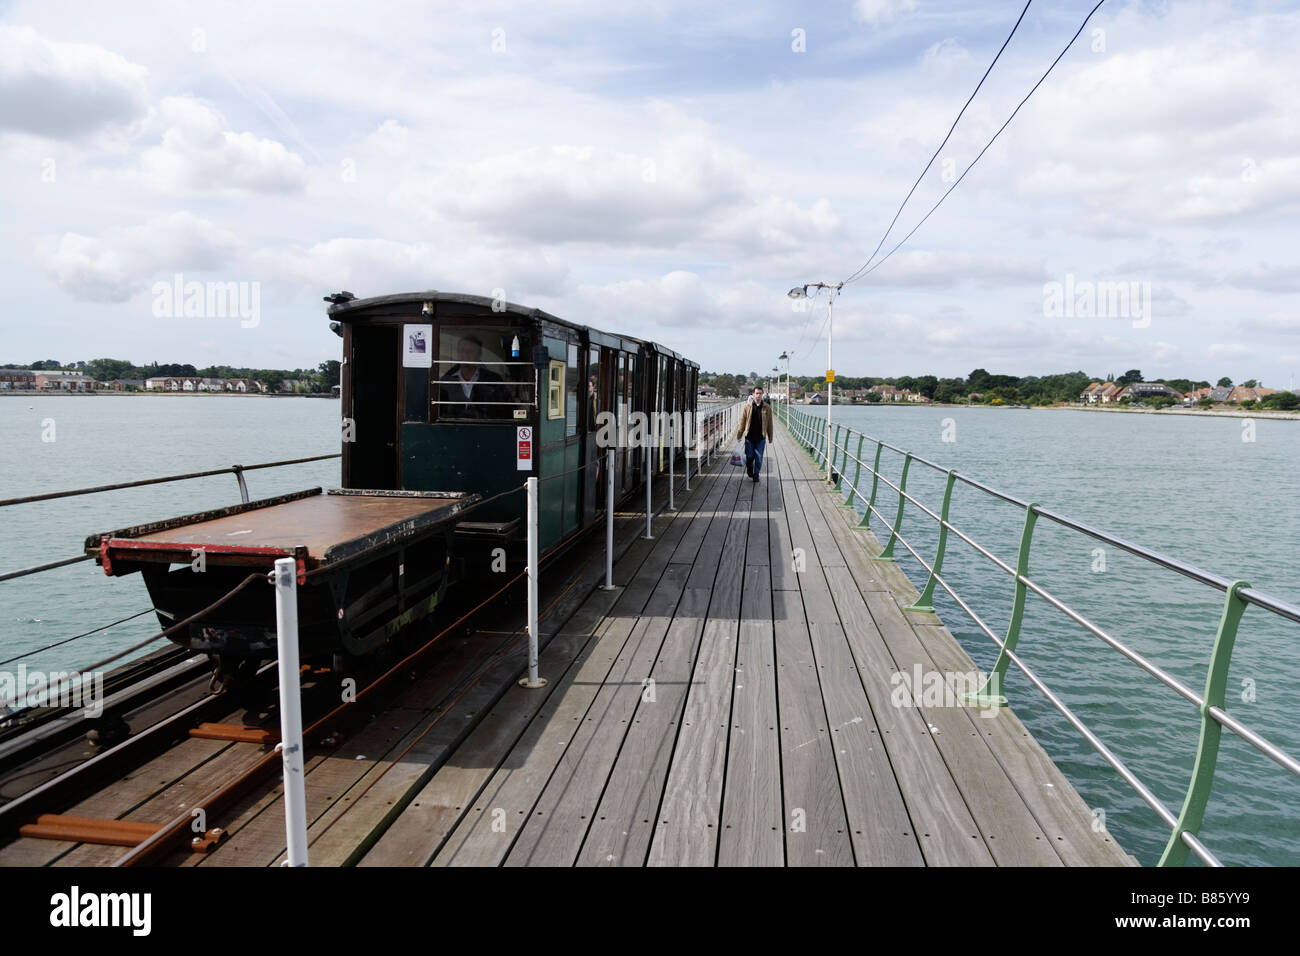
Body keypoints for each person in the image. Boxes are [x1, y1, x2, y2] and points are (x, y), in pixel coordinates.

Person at [439, 335, 504, 419]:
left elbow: (503, 411)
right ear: (458, 353)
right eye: (462, 350)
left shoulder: (493, 380)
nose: (465, 354)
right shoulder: (446, 380)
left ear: (479, 355)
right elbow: (439, 411)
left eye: (470, 351)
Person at [735, 385, 774, 482]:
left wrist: (770, 436)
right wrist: (739, 434)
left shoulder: (767, 408)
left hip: (761, 437)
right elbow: (742, 421)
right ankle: (749, 467)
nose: (758, 395)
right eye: (757, 393)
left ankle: (756, 475)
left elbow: (770, 423)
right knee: (750, 457)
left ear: (762, 395)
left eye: (760, 394)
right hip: (749, 437)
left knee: (759, 457)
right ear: (753, 394)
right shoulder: (747, 407)